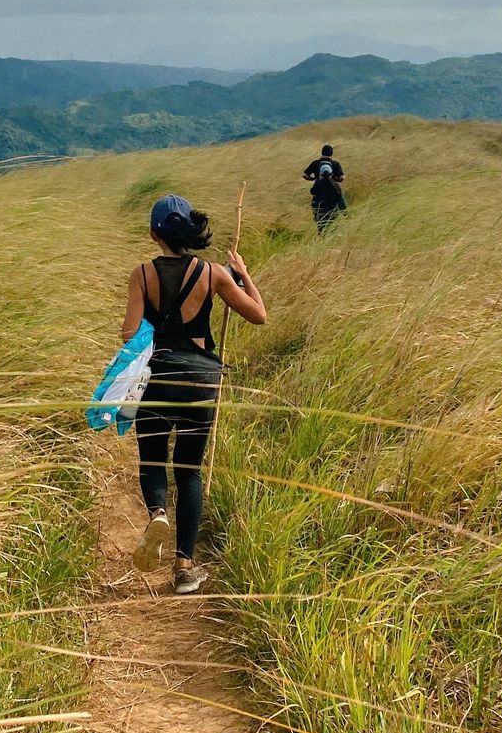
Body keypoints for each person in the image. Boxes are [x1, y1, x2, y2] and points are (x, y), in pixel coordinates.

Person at [120, 193, 266, 594]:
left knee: (152, 460)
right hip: (201, 381)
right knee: (189, 471)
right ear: (188, 231)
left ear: (154, 234)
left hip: (154, 378)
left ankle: (157, 513)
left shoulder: (142, 275)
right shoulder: (213, 273)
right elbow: (259, 314)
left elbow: (130, 335)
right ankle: (184, 567)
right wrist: (242, 273)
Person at [302, 143, 345, 232]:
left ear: (322, 152)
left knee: (320, 222)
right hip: (332, 195)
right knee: (333, 221)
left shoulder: (315, 163)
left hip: (319, 194)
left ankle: (322, 234)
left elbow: (305, 175)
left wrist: (313, 178)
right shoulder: (335, 164)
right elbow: (342, 178)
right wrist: (335, 180)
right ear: (331, 153)